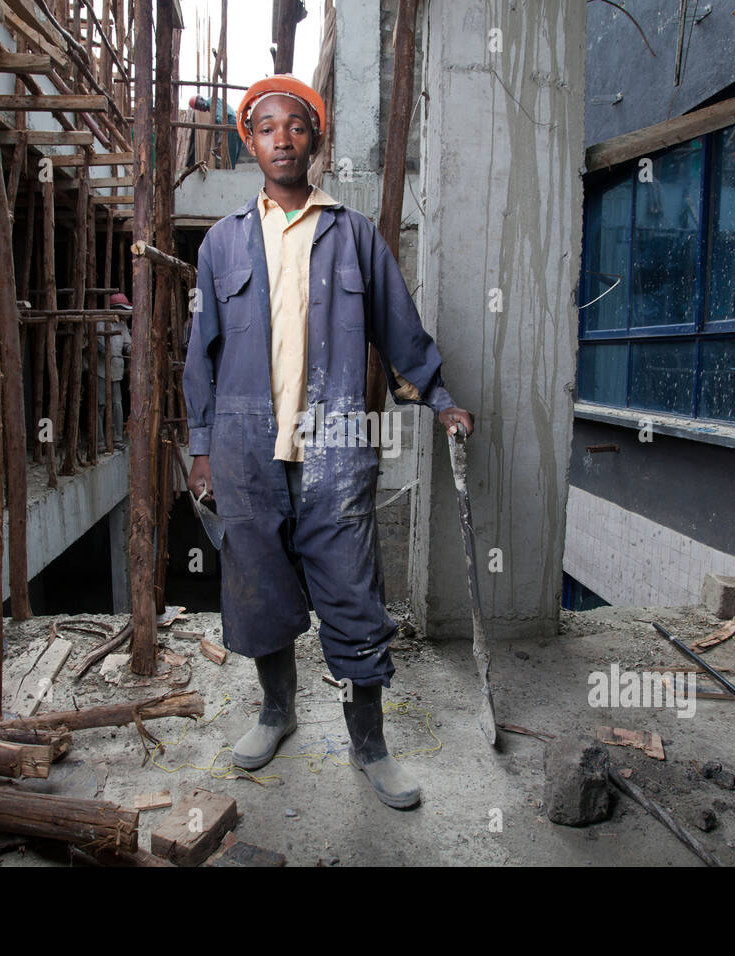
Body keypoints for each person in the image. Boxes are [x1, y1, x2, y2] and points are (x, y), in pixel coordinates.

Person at [183, 75, 474, 810]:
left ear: (316, 140)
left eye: (297, 126)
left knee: (352, 597)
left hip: (336, 449)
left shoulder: (354, 237)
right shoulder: (221, 245)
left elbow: (400, 330)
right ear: (248, 142)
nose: (282, 139)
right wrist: (202, 447)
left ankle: (369, 744)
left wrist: (439, 400)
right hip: (246, 453)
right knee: (259, 591)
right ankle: (276, 713)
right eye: (267, 128)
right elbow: (202, 353)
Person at [100, 292, 132, 450]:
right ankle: (99, 440)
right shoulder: (99, 322)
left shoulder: (122, 325)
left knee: (117, 404)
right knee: (100, 404)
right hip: (99, 369)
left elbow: (128, 345)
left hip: (116, 369)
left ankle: (117, 438)